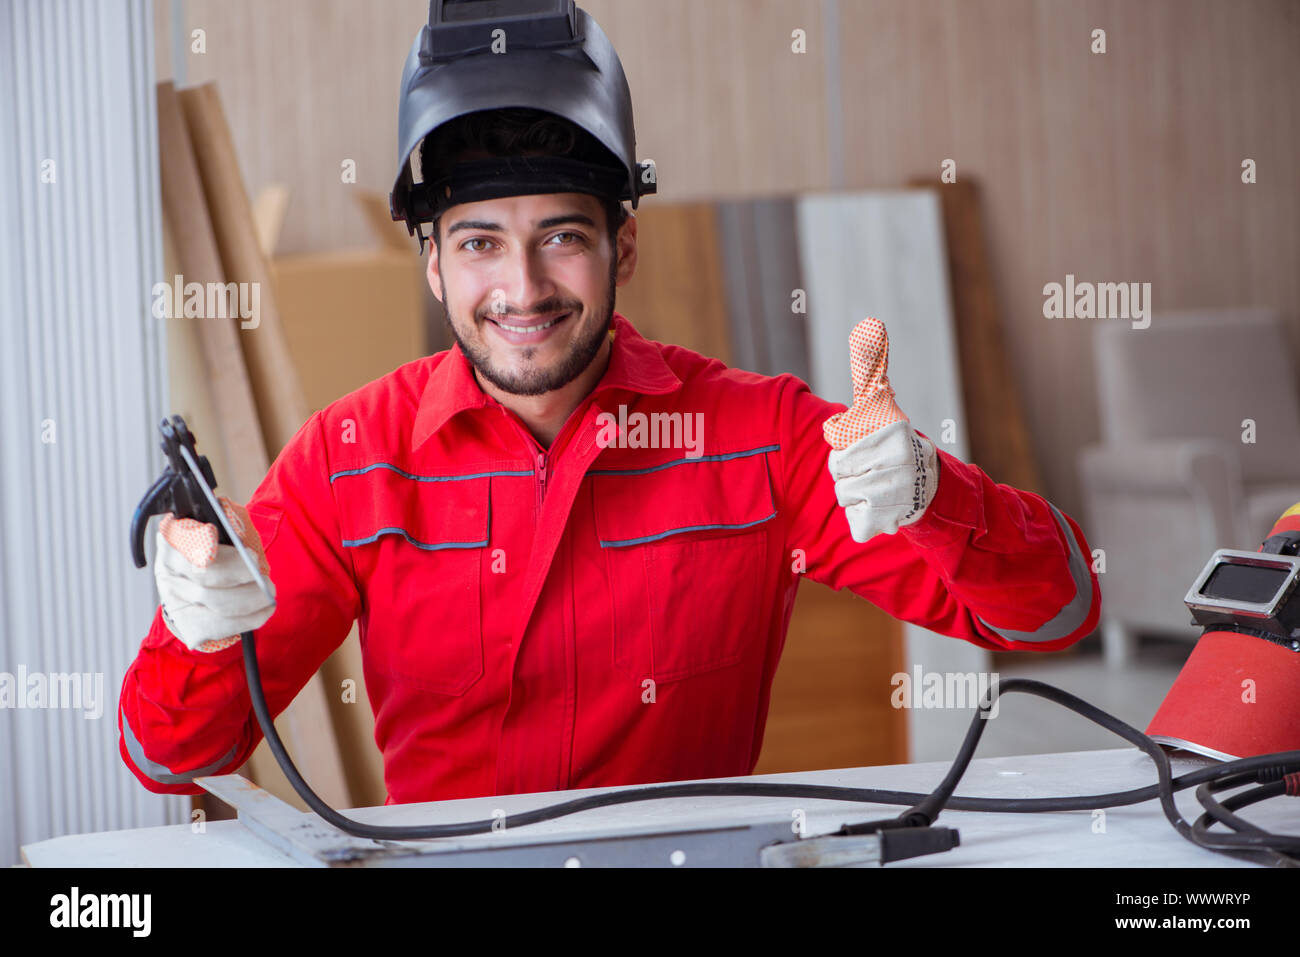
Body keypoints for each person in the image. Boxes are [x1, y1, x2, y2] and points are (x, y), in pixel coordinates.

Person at [118, 1, 1100, 805]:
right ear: (431, 263)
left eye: (562, 235)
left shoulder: (759, 436)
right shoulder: (351, 458)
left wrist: (935, 496)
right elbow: (169, 759)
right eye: (479, 242)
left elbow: (1054, 613)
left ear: (622, 247)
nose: (524, 285)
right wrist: (197, 635)